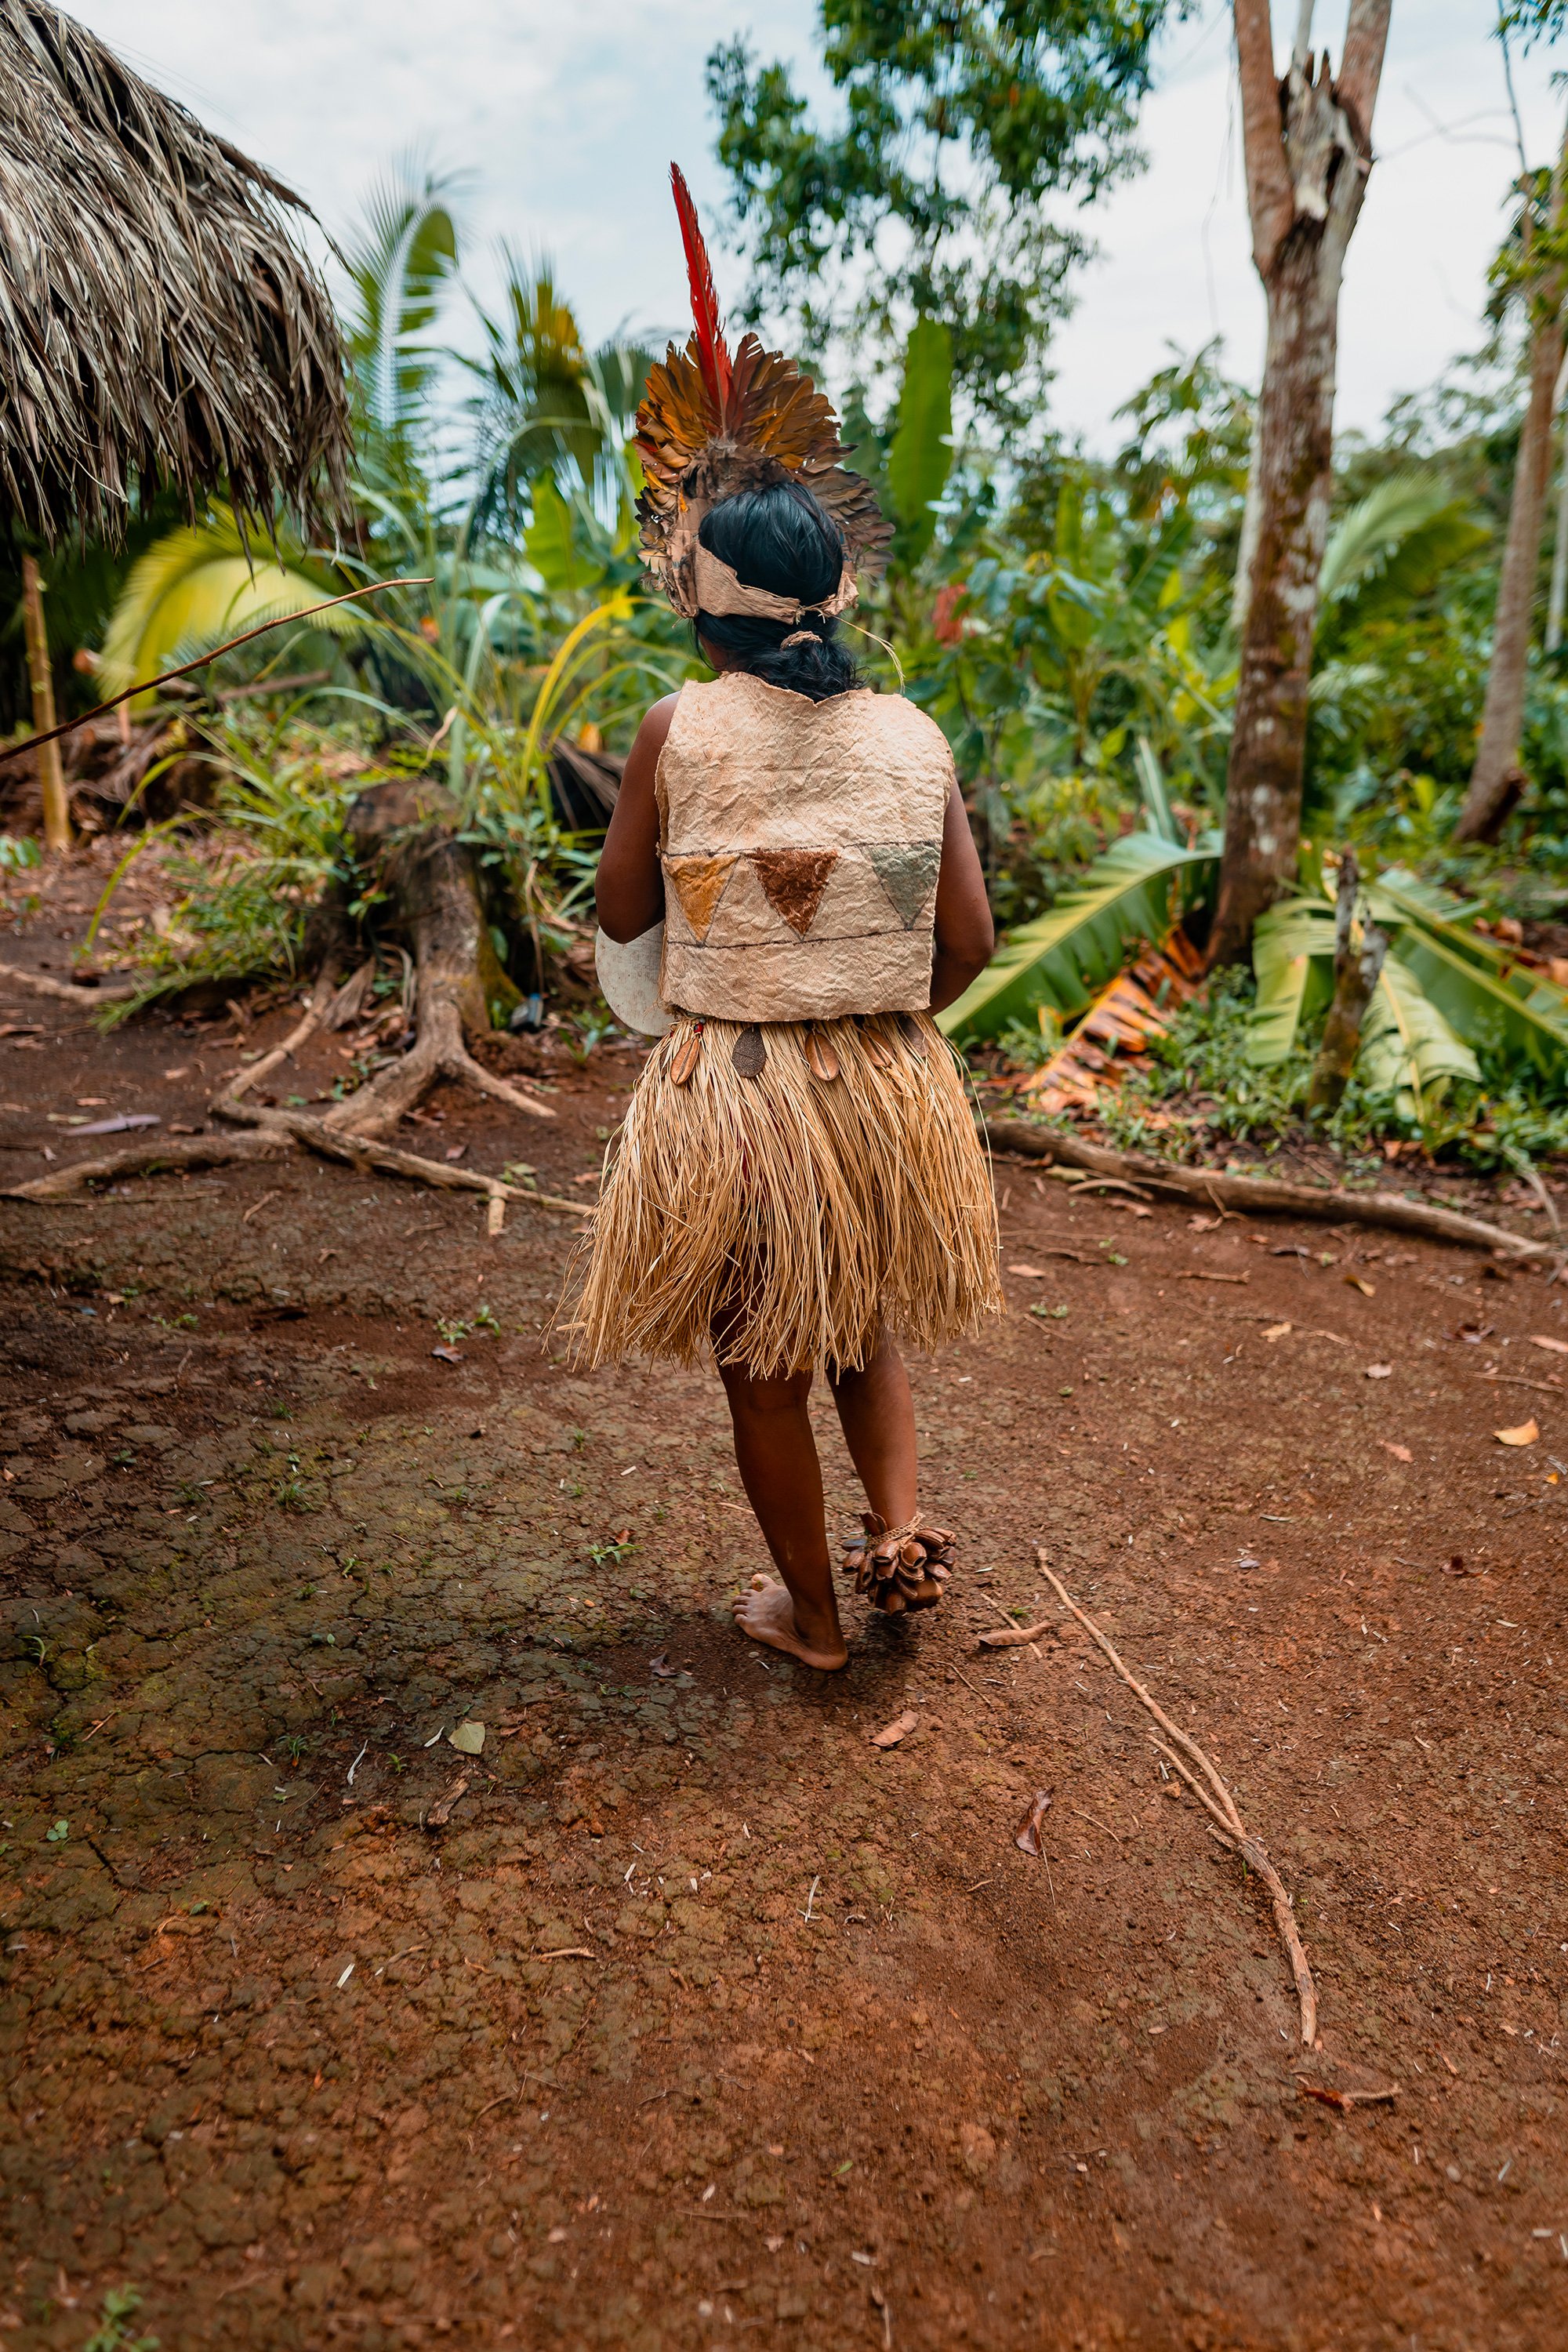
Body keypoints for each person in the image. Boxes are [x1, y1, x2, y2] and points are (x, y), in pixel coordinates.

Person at [579, 168, 1002, 1671]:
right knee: (865, 1317)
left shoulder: (672, 728)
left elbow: (627, 908)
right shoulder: (915, 730)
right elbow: (971, 943)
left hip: (743, 1097)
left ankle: (814, 1615)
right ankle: (898, 1536)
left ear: (703, 607)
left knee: (763, 1362)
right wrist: (881, 1013)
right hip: (887, 1084)